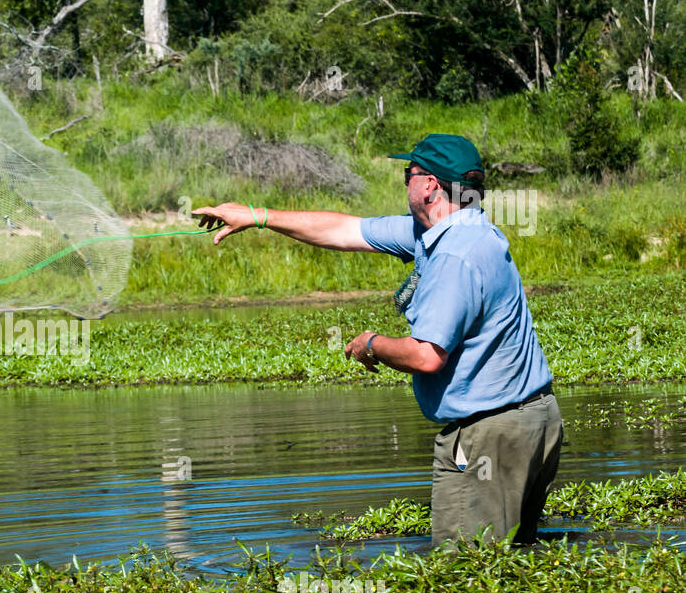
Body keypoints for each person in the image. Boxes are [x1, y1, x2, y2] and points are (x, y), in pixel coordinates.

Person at [193, 134, 563, 548]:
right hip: (536, 421)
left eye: (409, 173)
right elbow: (344, 230)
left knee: (467, 573)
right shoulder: (462, 231)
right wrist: (256, 215)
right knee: (515, 561)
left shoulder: (454, 256)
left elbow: (426, 356)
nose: (405, 182)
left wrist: (371, 344)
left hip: (488, 436)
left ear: (428, 186)